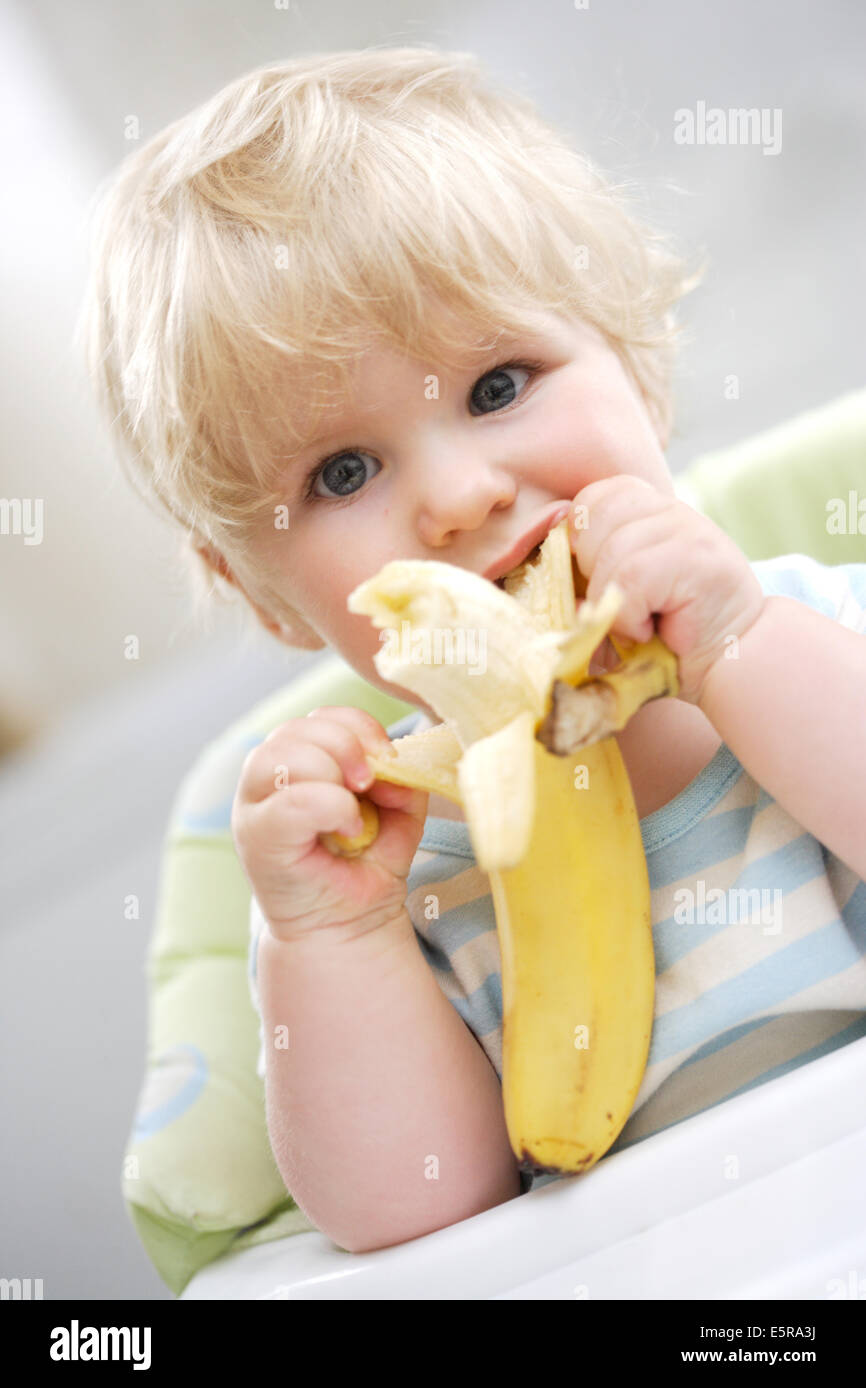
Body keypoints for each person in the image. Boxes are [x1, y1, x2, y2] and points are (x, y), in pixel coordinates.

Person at [79, 46, 866, 1256]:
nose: (454, 495)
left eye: (500, 383)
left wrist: (743, 644)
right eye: (341, 472)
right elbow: (419, 1216)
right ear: (268, 597)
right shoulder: (389, 856)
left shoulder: (816, 622)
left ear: (638, 373)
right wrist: (327, 940)